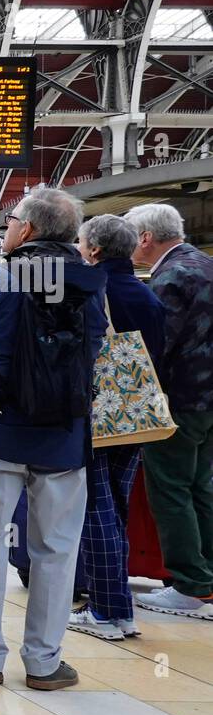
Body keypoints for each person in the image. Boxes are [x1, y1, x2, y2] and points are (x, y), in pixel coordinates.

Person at [0, 187, 107, 690]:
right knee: (56, 547)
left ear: (26, 229)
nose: (6, 229)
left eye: (10, 221)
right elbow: (98, 344)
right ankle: (45, 662)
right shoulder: (90, 285)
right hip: (64, 438)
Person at [63, 214, 167, 641]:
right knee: (117, 507)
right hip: (137, 414)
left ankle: (107, 610)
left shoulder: (91, 290)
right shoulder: (148, 295)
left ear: (94, 250)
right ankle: (120, 610)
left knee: (95, 509)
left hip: (97, 413)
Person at [123, 203, 213, 619]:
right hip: (209, 402)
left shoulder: (170, 277)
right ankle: (207, 578)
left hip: (179, 401)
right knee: (202, 486)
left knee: (171, 488)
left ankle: (191, 586)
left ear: (145, 238)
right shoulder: (207, 265)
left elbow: (158, 344)